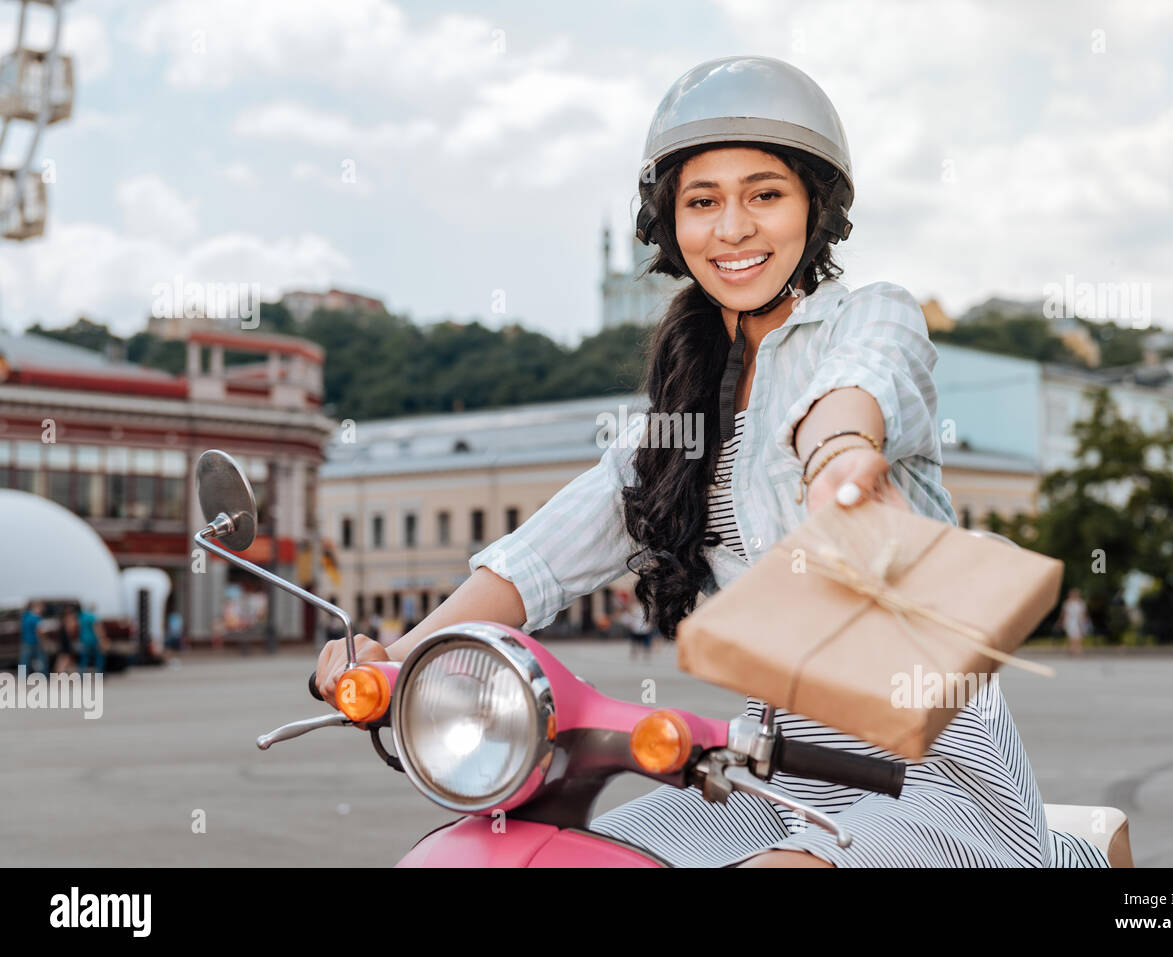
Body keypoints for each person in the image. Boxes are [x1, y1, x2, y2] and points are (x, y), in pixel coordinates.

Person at [315, 55, 1108, 868]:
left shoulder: (876, 317)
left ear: (815, 207)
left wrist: (842, 458)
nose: (732, 229)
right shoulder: (675, 415)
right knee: (568, 852)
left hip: (934, 769)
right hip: (772, 769)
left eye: (764, 194)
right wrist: (400, 653)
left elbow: (856, 390)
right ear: (672, 224)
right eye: (703, 202)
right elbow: (544, 556)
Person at [618, 591, 654, 659]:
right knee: (641, 641)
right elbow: (649, 617)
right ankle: (641, 652)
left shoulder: (635, 607)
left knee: (640, 641)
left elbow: (649, 617)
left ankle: (639, 651)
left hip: (640, 627)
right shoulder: (639, 607)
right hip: (639, 627)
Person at [1058, 587, 1091, 657]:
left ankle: (1078, 649)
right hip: (1070, 621)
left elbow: (1083, 613)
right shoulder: (1067, 603)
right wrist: (1061, 621)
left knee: (1079, 636)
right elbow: (1064, 613)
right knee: (1072, 636)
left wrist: (1084, 621)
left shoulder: (1081, 603)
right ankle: (1072, 649)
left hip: (1079, 621)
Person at [19, 600, 48, 677]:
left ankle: (22, 676)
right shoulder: (36, 618)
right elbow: (40, 632)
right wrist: (43, 643)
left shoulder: (26, 616)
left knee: (24, 660)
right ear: (36, 607)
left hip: (26, 641)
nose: (42, 610)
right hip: (35, 642)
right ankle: (44, 675)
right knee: (41, 660)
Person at [78, 603, 106, 674]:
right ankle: (100, 673)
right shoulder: (92, 617)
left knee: (84, 658)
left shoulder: (82, 617)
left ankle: (81, 674)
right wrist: (101, 639)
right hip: (93, 640)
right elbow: (96, 629)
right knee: (99, 657)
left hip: (84, 640)